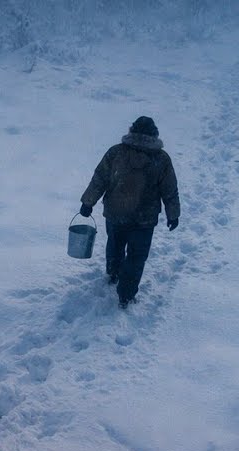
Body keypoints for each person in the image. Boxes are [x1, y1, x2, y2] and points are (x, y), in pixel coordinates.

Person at [78, 116, 180, 309]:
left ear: (132, 130)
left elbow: (99, 179)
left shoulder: (116, 152)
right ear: (154, 134)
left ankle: (113, 273)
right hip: (145, 219)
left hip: (116, 213)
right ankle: (126, 295)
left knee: (115, 244)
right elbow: (169, 189)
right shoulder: (161, 159)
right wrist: (173, 214)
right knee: (137, 256)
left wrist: (88, 202)